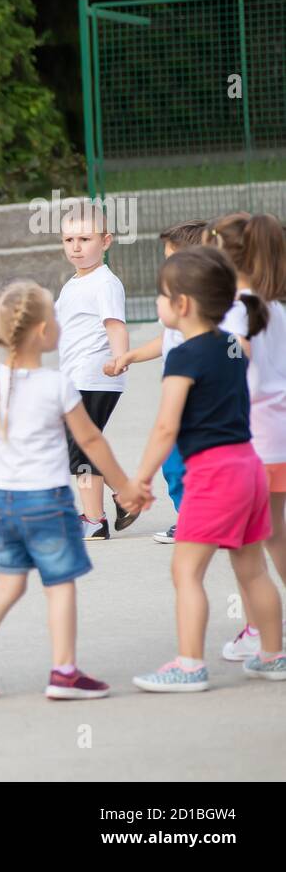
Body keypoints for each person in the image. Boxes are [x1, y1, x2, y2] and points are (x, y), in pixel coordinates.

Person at [0, 281, 145, 700]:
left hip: (3, 505)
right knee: (59, 585)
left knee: (7, 585)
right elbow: (92, 442)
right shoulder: (57, 385)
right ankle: (64, 673)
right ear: (43, 332)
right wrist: (126, 487)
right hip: (48, 504)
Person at [127, 248, 285, 691]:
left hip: (214, 475)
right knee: (252, 569)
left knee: (186, 571)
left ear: (182, 304)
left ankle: (190, 663)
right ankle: (274, 655)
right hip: (250, 467)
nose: (157, 304)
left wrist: (139, 479)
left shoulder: (184, 357)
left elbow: (165, 426)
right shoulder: (236, 344)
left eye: (161, 296)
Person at [199, 214, 286, 662]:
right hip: (279, 437)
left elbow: (238, 356)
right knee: (276, 537)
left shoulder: (239, 311)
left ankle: (259, 631)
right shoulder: (277, 307)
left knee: (250, 544)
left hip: (255, 441)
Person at [103, 221, 209, 543]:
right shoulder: (181, 304)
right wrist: (131, 356)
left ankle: (194, 520)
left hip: (193, 401)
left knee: (179, 464)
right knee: (179, 465)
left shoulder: (203, 304)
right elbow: (166, 339)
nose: (165, 265)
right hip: (181, 398)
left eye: (170, 258)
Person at [55, 207, 132, 540]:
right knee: (84, 444)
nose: (76, 246)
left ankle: (93, 519)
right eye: (69, 239)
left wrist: (120, 357)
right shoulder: (73, 283)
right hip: (75, 377)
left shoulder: (104, 283)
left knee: (82, 447)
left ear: (106, 241)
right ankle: (126, 498)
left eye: (85, 239)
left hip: (96, 376)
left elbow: (114, 324)